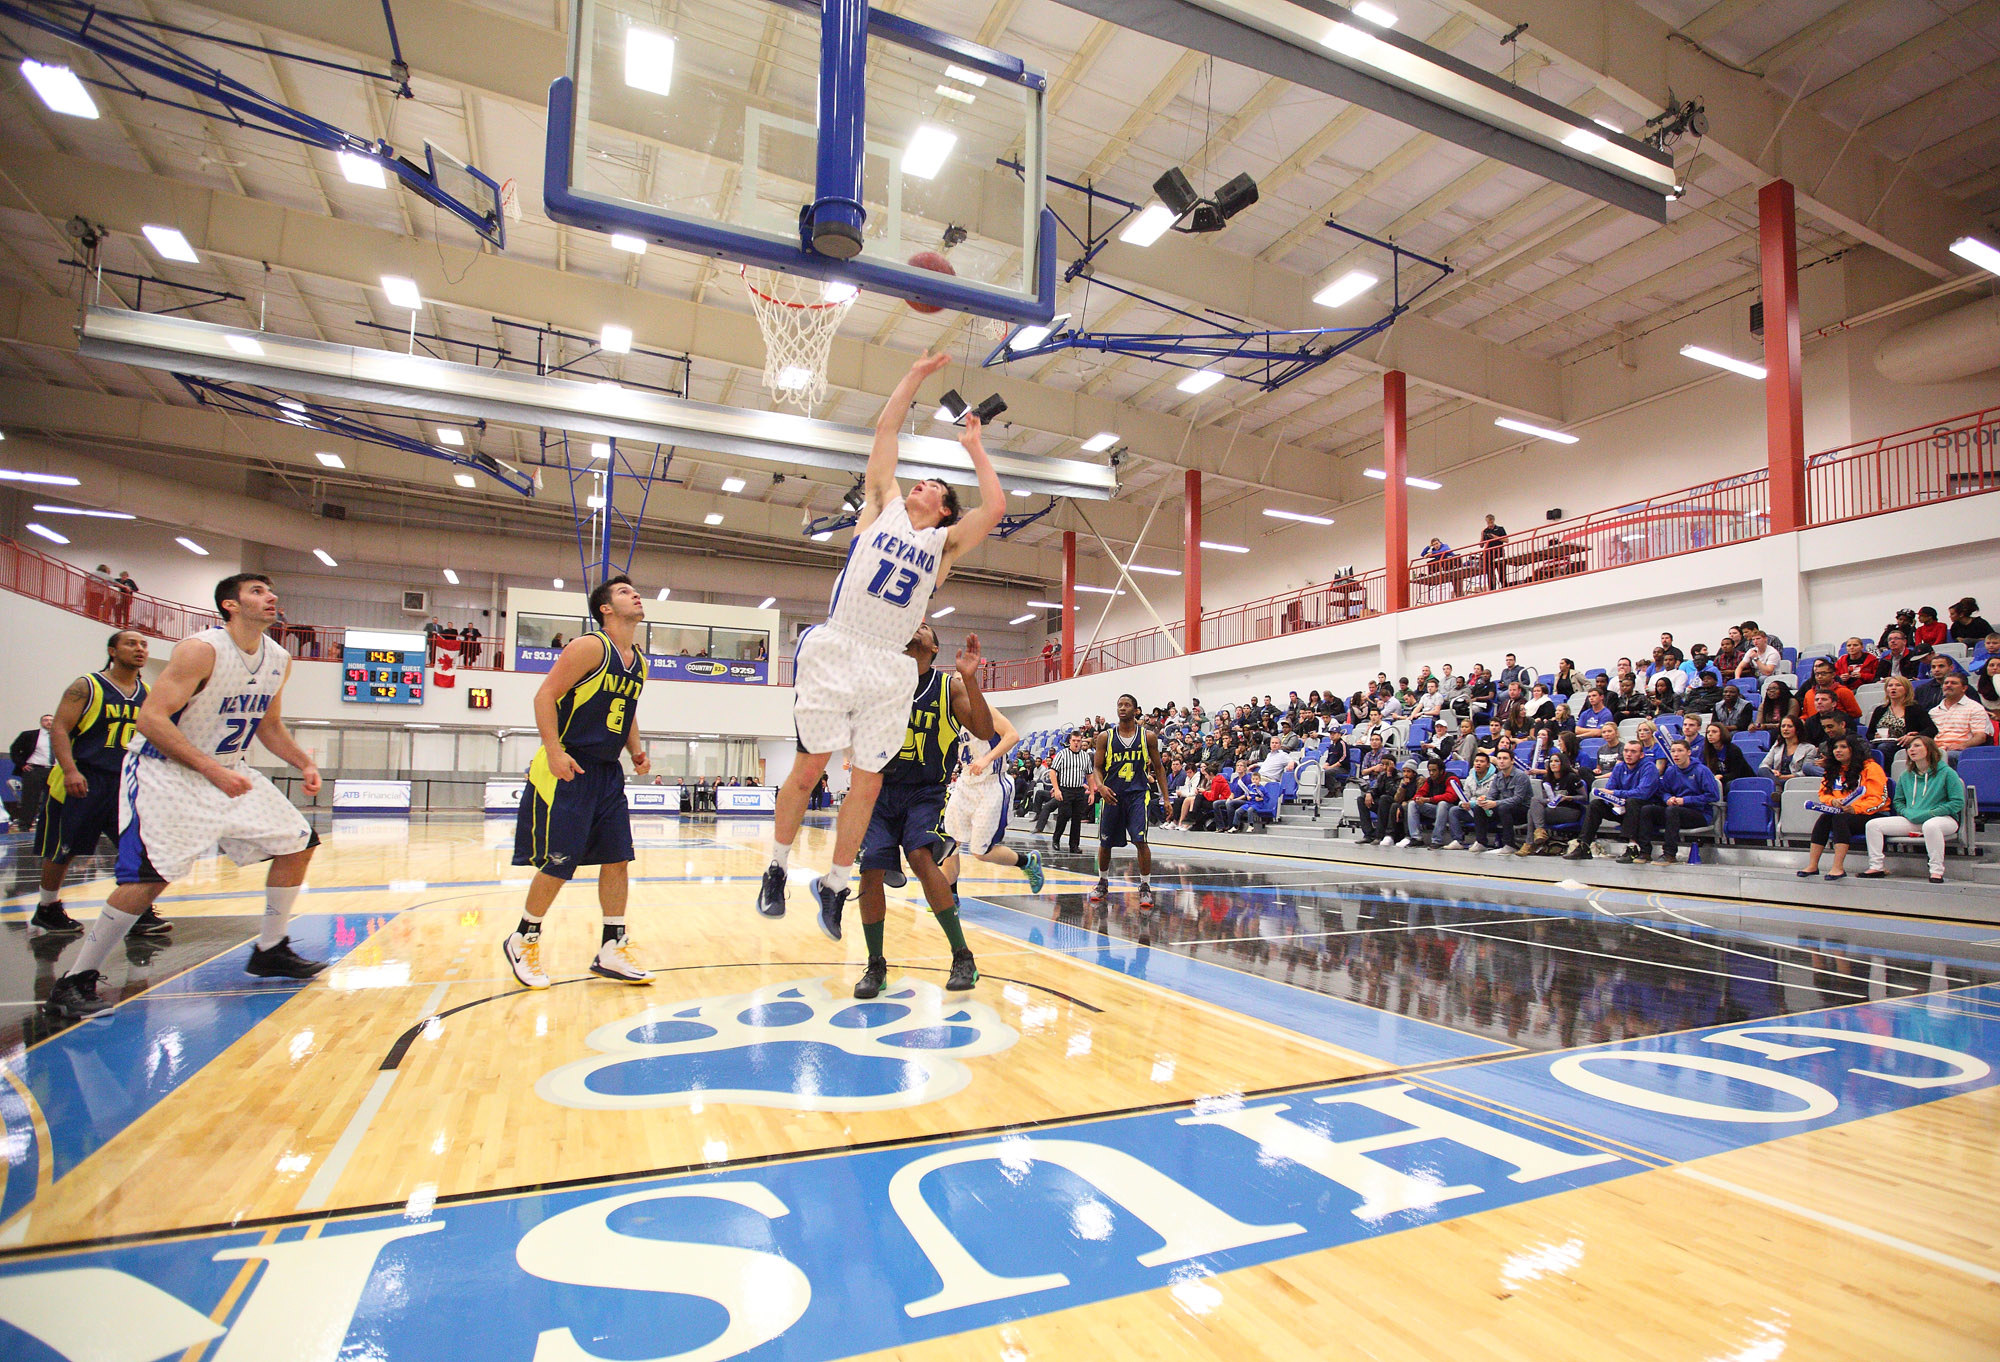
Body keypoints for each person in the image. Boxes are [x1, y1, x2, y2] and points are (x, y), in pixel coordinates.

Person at [760, 353, 1004, 924]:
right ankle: (775, 867)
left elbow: (994, 507)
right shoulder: (880, 507)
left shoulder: (943, 549)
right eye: (918, 480)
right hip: (839, 644)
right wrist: (915, 374)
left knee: (867, 782)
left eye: (931, 486)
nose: (918, 483)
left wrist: (974, 448)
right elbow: (886, 429)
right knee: (809, 767)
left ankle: (835, 884)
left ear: (943, 509)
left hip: (887, 664)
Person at [44, 575, 326, 1019]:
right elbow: (151, 720)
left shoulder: (279, 658)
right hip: (166, 772)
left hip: (228, 771)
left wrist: (302, 763)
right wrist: (212, 769)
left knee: (298, 842)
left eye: (272, 591)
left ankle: (270, 948)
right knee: (149, 878)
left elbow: (267, 726)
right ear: (230, 606)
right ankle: (75, 980)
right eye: (257, 591)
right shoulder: (200, 649)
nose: (271, 597)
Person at [504, 576, 653, 989]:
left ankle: (612, 945)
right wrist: (553, 750)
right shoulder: (589, 646)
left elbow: (627, 707)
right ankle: (523, 937)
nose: (635, 594)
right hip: (569, 766)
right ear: (605, 608)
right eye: (624, 592)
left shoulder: (638, 660)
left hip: (607, 771)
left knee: (617, 858)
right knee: (559, 862)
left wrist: (635, 749)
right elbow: (545, 695)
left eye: (634, 591)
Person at [830, 624, 991, 999]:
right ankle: (875, 964)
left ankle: (962, 955)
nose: (916, 631)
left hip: (925, 792)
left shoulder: (947, 687)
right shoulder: (879, 684)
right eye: (911, 627)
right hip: (878, 792)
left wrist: (970, 680)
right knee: (871, 867)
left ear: (934, 647)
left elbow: (983, 729)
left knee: (921, 857)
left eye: (925, 629)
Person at [31, 630, 156, 938]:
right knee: (64, 849)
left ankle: (137, 911)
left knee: (138, 849)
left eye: (143, 644)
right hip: (82, 778)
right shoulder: (86, 685)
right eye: (131, 643)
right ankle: (47, 909)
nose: (139, 648)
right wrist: (70, 770)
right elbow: (59, 728)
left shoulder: (148, 692)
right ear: (113, 651)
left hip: (123, 784)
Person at [939, 635, 1045, 902]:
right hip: (965, 784)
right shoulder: (950, 715)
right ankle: (950, 897)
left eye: (961, 682)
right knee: (948, 843)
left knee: (980, 851)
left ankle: (1027, 862)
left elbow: (1012, 735)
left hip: (992, 784)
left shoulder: (986, 709)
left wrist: (987, 759)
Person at [1086, 693, 1171, 907]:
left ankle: (1144, 886)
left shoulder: (1148, 737)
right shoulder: (1105, 736)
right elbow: (1097, 767)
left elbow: (1159, 768)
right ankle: (1103, 882)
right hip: (1112, 795)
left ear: (1136, 710)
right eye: (1119, 705)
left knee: (1141, 840)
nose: (1122, 708)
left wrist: (1166, 798)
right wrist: (1100, 786)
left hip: (1137, 794)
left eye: (1127, 705)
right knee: (1105, 843)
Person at [1862, 734, 1964, 884]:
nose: (1911, 749)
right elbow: (1898, 802)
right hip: (1913, 818)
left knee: (1931, 825)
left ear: (1929, 749)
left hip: (1943, 819)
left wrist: (1931, 813)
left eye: (1917, 746)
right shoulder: (1906, 775)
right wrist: (1907, 813)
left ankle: (1936, 871)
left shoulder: (1948, 773)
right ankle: (1876, 866)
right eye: (1909, 747)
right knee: (1873, 825)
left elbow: (1957, 802)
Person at [1796, 735, 1889, 880]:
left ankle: (1837, 867)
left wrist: (1854, 808)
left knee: (1840, 819)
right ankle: (1813, 865)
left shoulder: (1871, 768)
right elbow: (1824, 794)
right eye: (1835, 748)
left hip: (1873, 814)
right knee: (1825, 818)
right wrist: (1833, 802)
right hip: (1843, 812)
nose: (1838, 751)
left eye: (1843, 747)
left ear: (1853, 750)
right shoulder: (1832, 770)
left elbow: (1878, 799)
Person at [1565, 739, 1660, 861]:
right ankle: (1584, 845)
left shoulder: (1649, 767)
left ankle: (1633, 847)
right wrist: (1612, 800)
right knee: (1595, 804)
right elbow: (1608, 789)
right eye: (1626, 751)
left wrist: (1616, 794)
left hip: (1644, 809)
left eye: (1633, 751)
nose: (1628, 754)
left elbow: (1643, 793)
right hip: (1621, 806)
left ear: (1641, 755)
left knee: (1632, 801)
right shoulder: (1619, 767)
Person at [1642, 739, 1721, 865]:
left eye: (1680, 751)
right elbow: (1663, 791)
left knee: (1673, 811)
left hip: (1699, 813)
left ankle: (1669, 854)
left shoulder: (1702, 770)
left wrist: (1685, 800)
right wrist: (1668, 798)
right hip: (1675, 811)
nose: (1676, 754)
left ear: (1689, 752)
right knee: (1647, 810)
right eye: (1673, 751)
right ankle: (1645, 852)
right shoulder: (1671, 771)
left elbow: (1713, 796)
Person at [1521, 749, 1587, 856]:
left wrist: (1568, 797)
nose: (1553, 764)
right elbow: (1546, 798)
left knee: (1532, 811)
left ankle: (1530, 842)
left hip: (1571, 810)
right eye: (1551, 761)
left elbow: (1584, 798)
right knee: (1534, 804)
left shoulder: (1572, 777)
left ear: (1563, 763)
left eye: (1556, 761)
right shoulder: (1547, 778)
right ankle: (1538, 833)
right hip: (1553, 808)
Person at [1465, 747, 1530, 852]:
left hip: (1522, 810)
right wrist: (1485, 801)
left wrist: (1495, 803)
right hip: (1503, 808)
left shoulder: (1521, 776)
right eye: (1499, 758)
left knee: (1503, 808)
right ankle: (1481, 842)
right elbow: (1491, 795)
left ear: (1512, 761)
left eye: (1505, 758)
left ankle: (1509, 844)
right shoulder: (1498, 776)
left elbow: (1518, 799)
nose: (1501, 761)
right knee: (1478, 808)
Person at [1864, 674, 1934, 768]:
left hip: (1903, 743)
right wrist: (1875, 735)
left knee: (1884, 748)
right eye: (1890, 685)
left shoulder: (1915, 709)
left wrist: (1914, 737)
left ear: (1906, 689)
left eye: (1898, 685)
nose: (1893, 688)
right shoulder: (1880, 710)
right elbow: (1869, 734)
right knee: (1865, 748)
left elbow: (1932, 729)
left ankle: (1886, 774)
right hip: (1881, 742)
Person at [1042, 731, 1093, 851]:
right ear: (1070, 741)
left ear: (1081, 741)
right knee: (1063, 816)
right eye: (1074, 740)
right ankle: (1056, 839)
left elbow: (1089, 775)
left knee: (1077, 819)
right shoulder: (1062, 754)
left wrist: (1091, 793)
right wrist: (1057, 789)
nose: (1076, 743)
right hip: (1065, 790)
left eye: (1078, 741)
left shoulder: (1085, 756)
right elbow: (1053, 772)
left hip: (1079, 790)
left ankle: (1074, 845)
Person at [10, 714, 55, 835]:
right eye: (46, 720)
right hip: (34, 770)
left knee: (53, 799)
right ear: (41, 722)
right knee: (30, 799)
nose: (49, 722)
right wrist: (22, 764)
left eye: (51, 720)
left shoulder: (62, 735)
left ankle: (49, 825)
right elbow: (14, 749)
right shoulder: (29, 735)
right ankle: (25, 825)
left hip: (54, 770)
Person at [1404, 756, 1460, 848]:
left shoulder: (1451, 778)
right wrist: (1418, 798)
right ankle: (1416, 838)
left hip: (1451, 810)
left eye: (1434, 770)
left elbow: (1451, 797)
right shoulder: (1429, 780)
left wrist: (1429, 799)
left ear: (1441, 771)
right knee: (1413, 804)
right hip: (1436, 809)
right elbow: (1421, 792)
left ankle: (1437, 840)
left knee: (1442, 804)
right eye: (1429, 771)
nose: (1431, 773)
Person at [1931, 670, 1994, 753]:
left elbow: (1980, 737)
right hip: (1935, 751)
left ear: (1964, 688)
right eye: (1946, 683)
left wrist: (1962, 746)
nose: (1948, 685)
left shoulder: (1975, 708)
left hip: (1961, 751)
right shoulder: (1934, 711)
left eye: (1953, 683)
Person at [1759, 714, 1821, 785]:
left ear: (1797, 729)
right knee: (1762, 770)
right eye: (1783, 726)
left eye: (1790, 726)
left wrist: (1783, 777)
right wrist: (1772, 771)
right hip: (1776, 778)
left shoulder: (1809, 748)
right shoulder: (1777, 745)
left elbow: (1805, 772)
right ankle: (1777, 785)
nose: (1785, 729)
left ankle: (1777, 786)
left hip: (1795, 781)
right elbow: (1764, 764)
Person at [1478, 515, 1508, 590]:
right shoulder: (1485, 531)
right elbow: (1481, 545)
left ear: (1493, 520)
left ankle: (1505, 587)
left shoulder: (1500, 529)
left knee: (1502, 572)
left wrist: (1494, 537)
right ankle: (1492, 589)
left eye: (1491, 521)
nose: (1490, 522)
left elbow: (1506, 540)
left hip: (1499, 552)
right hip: (1489, 554)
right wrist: (1482, 535)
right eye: (1488, 521)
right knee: (1490, 574)